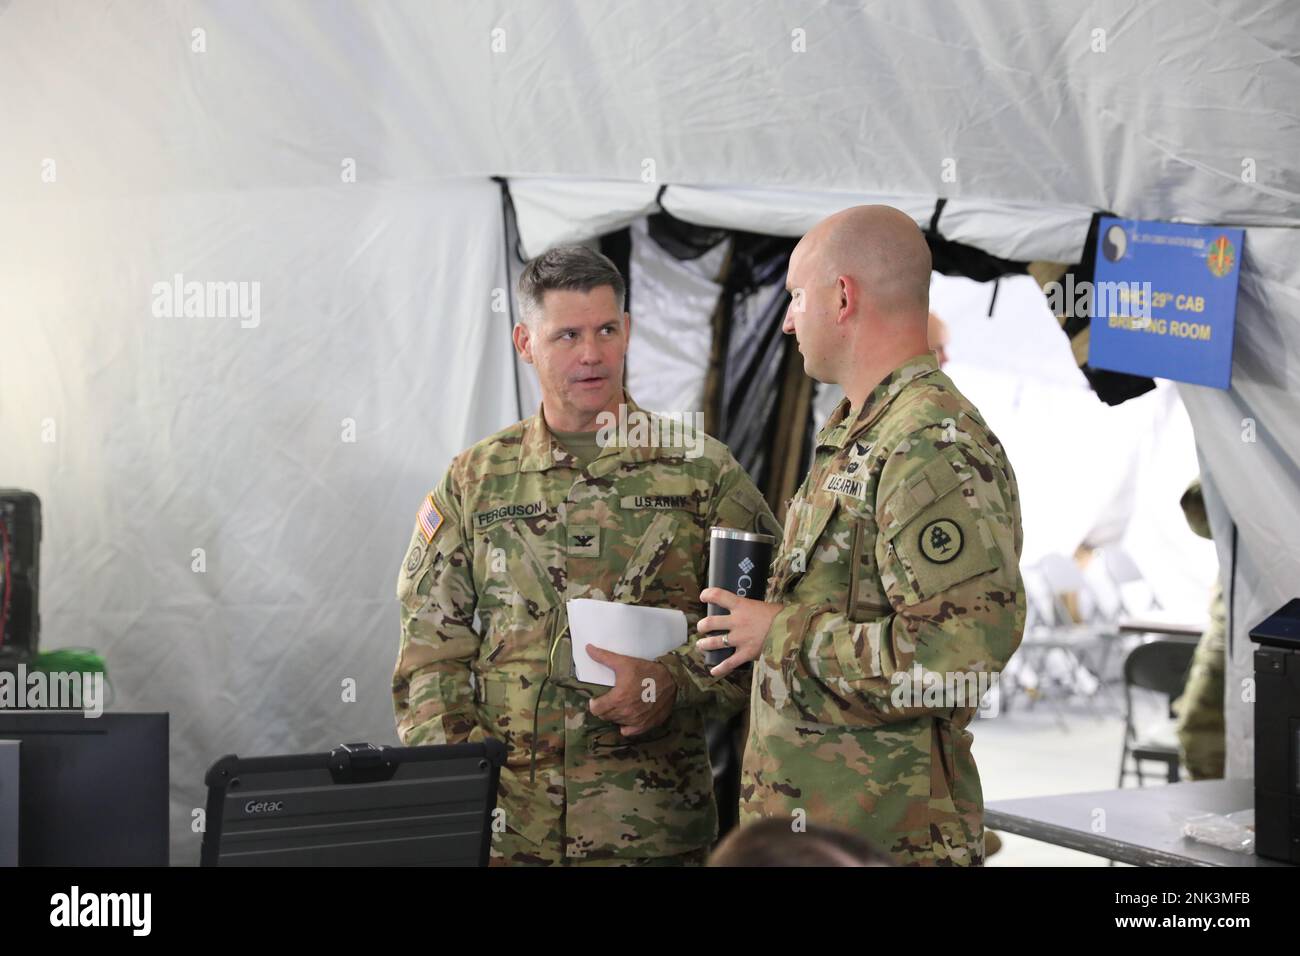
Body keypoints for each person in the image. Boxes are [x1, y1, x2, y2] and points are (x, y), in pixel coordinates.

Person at [393, 244, 778, 865]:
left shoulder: (703, 473)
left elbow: (763, 631)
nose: (591, 353)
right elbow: (430, 652)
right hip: (509, 834)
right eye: (567, 334)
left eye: (605, 329)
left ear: (626, 332)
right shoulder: (475, 480)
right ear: (526, 342)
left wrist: (670, 684)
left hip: (652, 831)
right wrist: (456, 792)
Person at [696, 205, 1026, 866]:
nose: (788, 319)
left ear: (841, 296)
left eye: (795, 297)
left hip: (885, 840)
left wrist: (779, 632)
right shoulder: (858, 432)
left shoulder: (928, 441)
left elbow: (955, 660)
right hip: (820, 831)